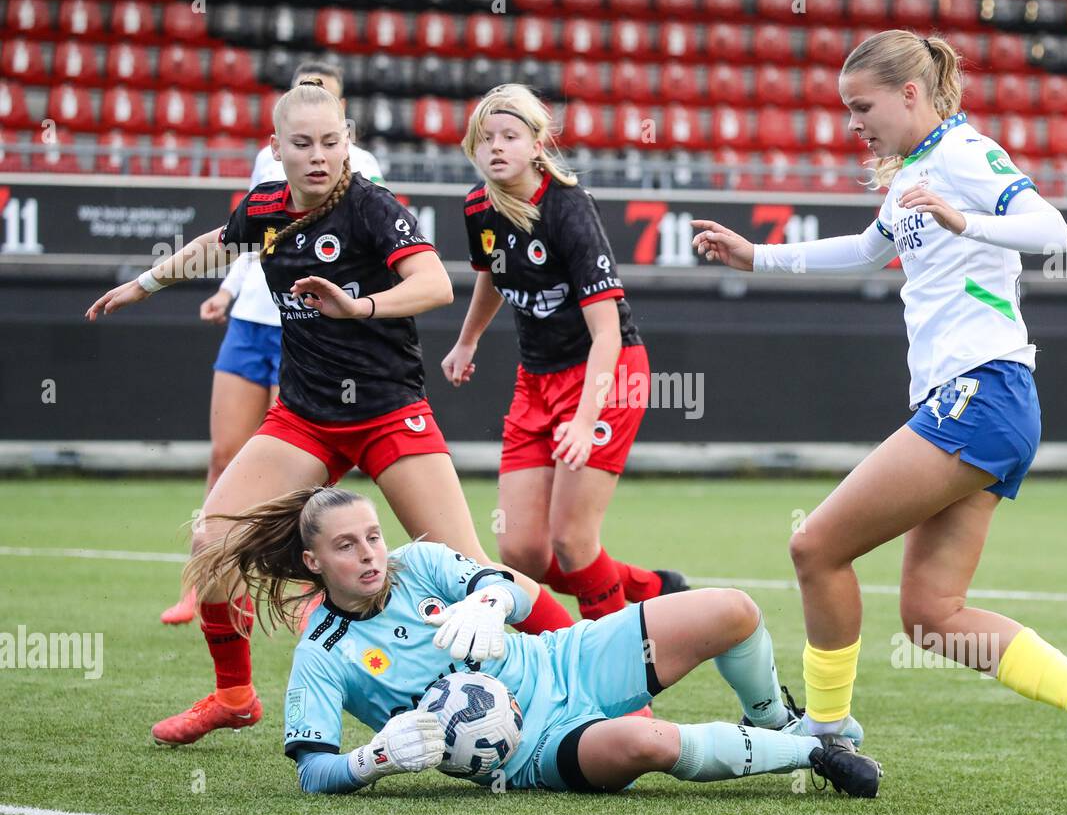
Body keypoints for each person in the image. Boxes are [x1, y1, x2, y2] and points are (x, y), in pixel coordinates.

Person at [690, 30, 1067, 802]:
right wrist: (758, 257)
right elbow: (868, 253)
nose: (852, 124)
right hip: (984, 400)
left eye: (861, 107)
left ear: (911, 93)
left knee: (816, 546)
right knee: (933, 616)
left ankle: (827, 731)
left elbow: (1053, 231)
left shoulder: (964, 155)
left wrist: (971, 223)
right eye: (845, 110)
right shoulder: (913, 173)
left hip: (982, 390)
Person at [86, 81, 574, 747]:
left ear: (348, 140)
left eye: (331, 141)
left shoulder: (372, 206)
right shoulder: (265, 206)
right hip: (307, 417)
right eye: (304, 144)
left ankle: (584, 659)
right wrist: (142, 284)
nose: (320, 156)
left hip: (386, 410)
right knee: (211, 542)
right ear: (276, 149)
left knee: (471, 572)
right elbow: (217, 241)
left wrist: (359, 306)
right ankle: (233, 696)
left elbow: (434, 283)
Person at [183, 485, 882, 797]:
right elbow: (313, 773)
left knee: (732, 610)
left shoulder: (417, 563)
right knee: (650, 745)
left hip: (565, 658)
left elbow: (505, 582)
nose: (370, 554)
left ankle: (772, 719)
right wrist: (369, 760)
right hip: (530, 750)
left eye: (372, 535)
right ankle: (816, 753)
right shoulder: (322, 654)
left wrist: (492, 600)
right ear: (313, 564)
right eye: (347, 546)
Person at [443, 84, 686, 621]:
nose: (497, 147)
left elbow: (609, 334)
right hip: (538, 378)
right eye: (485, 140)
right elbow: (492, 275)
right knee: (522, 552)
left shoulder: (568, 209)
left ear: (537, 144)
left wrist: (583, 419)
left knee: (573, 541)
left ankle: (615, 676)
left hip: (608, 373)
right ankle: (648, 586)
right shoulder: (479, 207)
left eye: (510, 136)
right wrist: (467, 340)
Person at [162, 59, 386, 627]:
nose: (314, 147)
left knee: (298, 471)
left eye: (325, 106)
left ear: (343, 119)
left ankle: (304, 576)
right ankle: (207, 572)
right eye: (302, 99)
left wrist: (363, 311)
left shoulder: (362, 175)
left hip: (308, 332)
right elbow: (247, 236)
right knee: (226, 454)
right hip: (254, 318)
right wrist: (228, 291)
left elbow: (380, 253)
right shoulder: (273, 163)